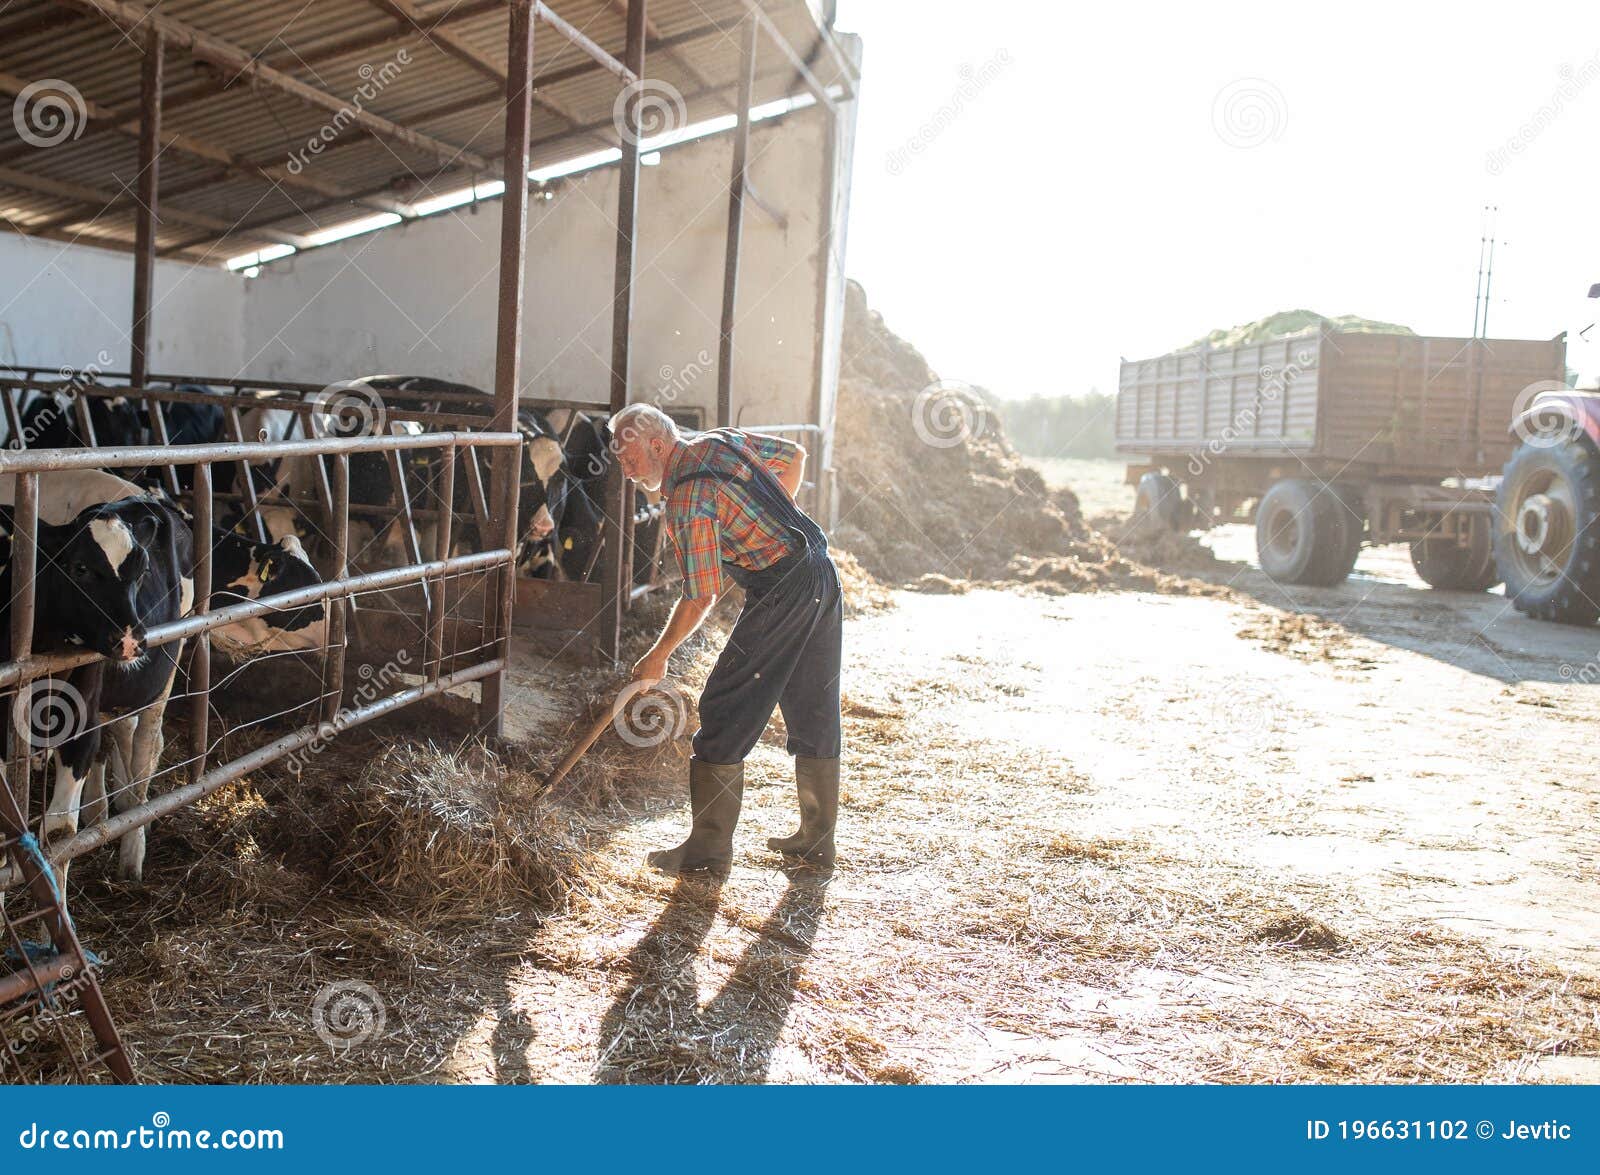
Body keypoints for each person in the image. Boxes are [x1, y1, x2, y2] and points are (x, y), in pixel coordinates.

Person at [610, 402, 842, 873]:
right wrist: (771, 526)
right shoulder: (719, 441)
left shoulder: (686, 501)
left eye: (631, 459)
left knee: (724, 705)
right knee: (813, 704)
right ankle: (817, 843)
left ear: (658, 445)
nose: (627, 472)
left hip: (784, 589)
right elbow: (795, 456)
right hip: (820, 571)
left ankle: (708, 852)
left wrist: (659, 657)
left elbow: (701, 595)